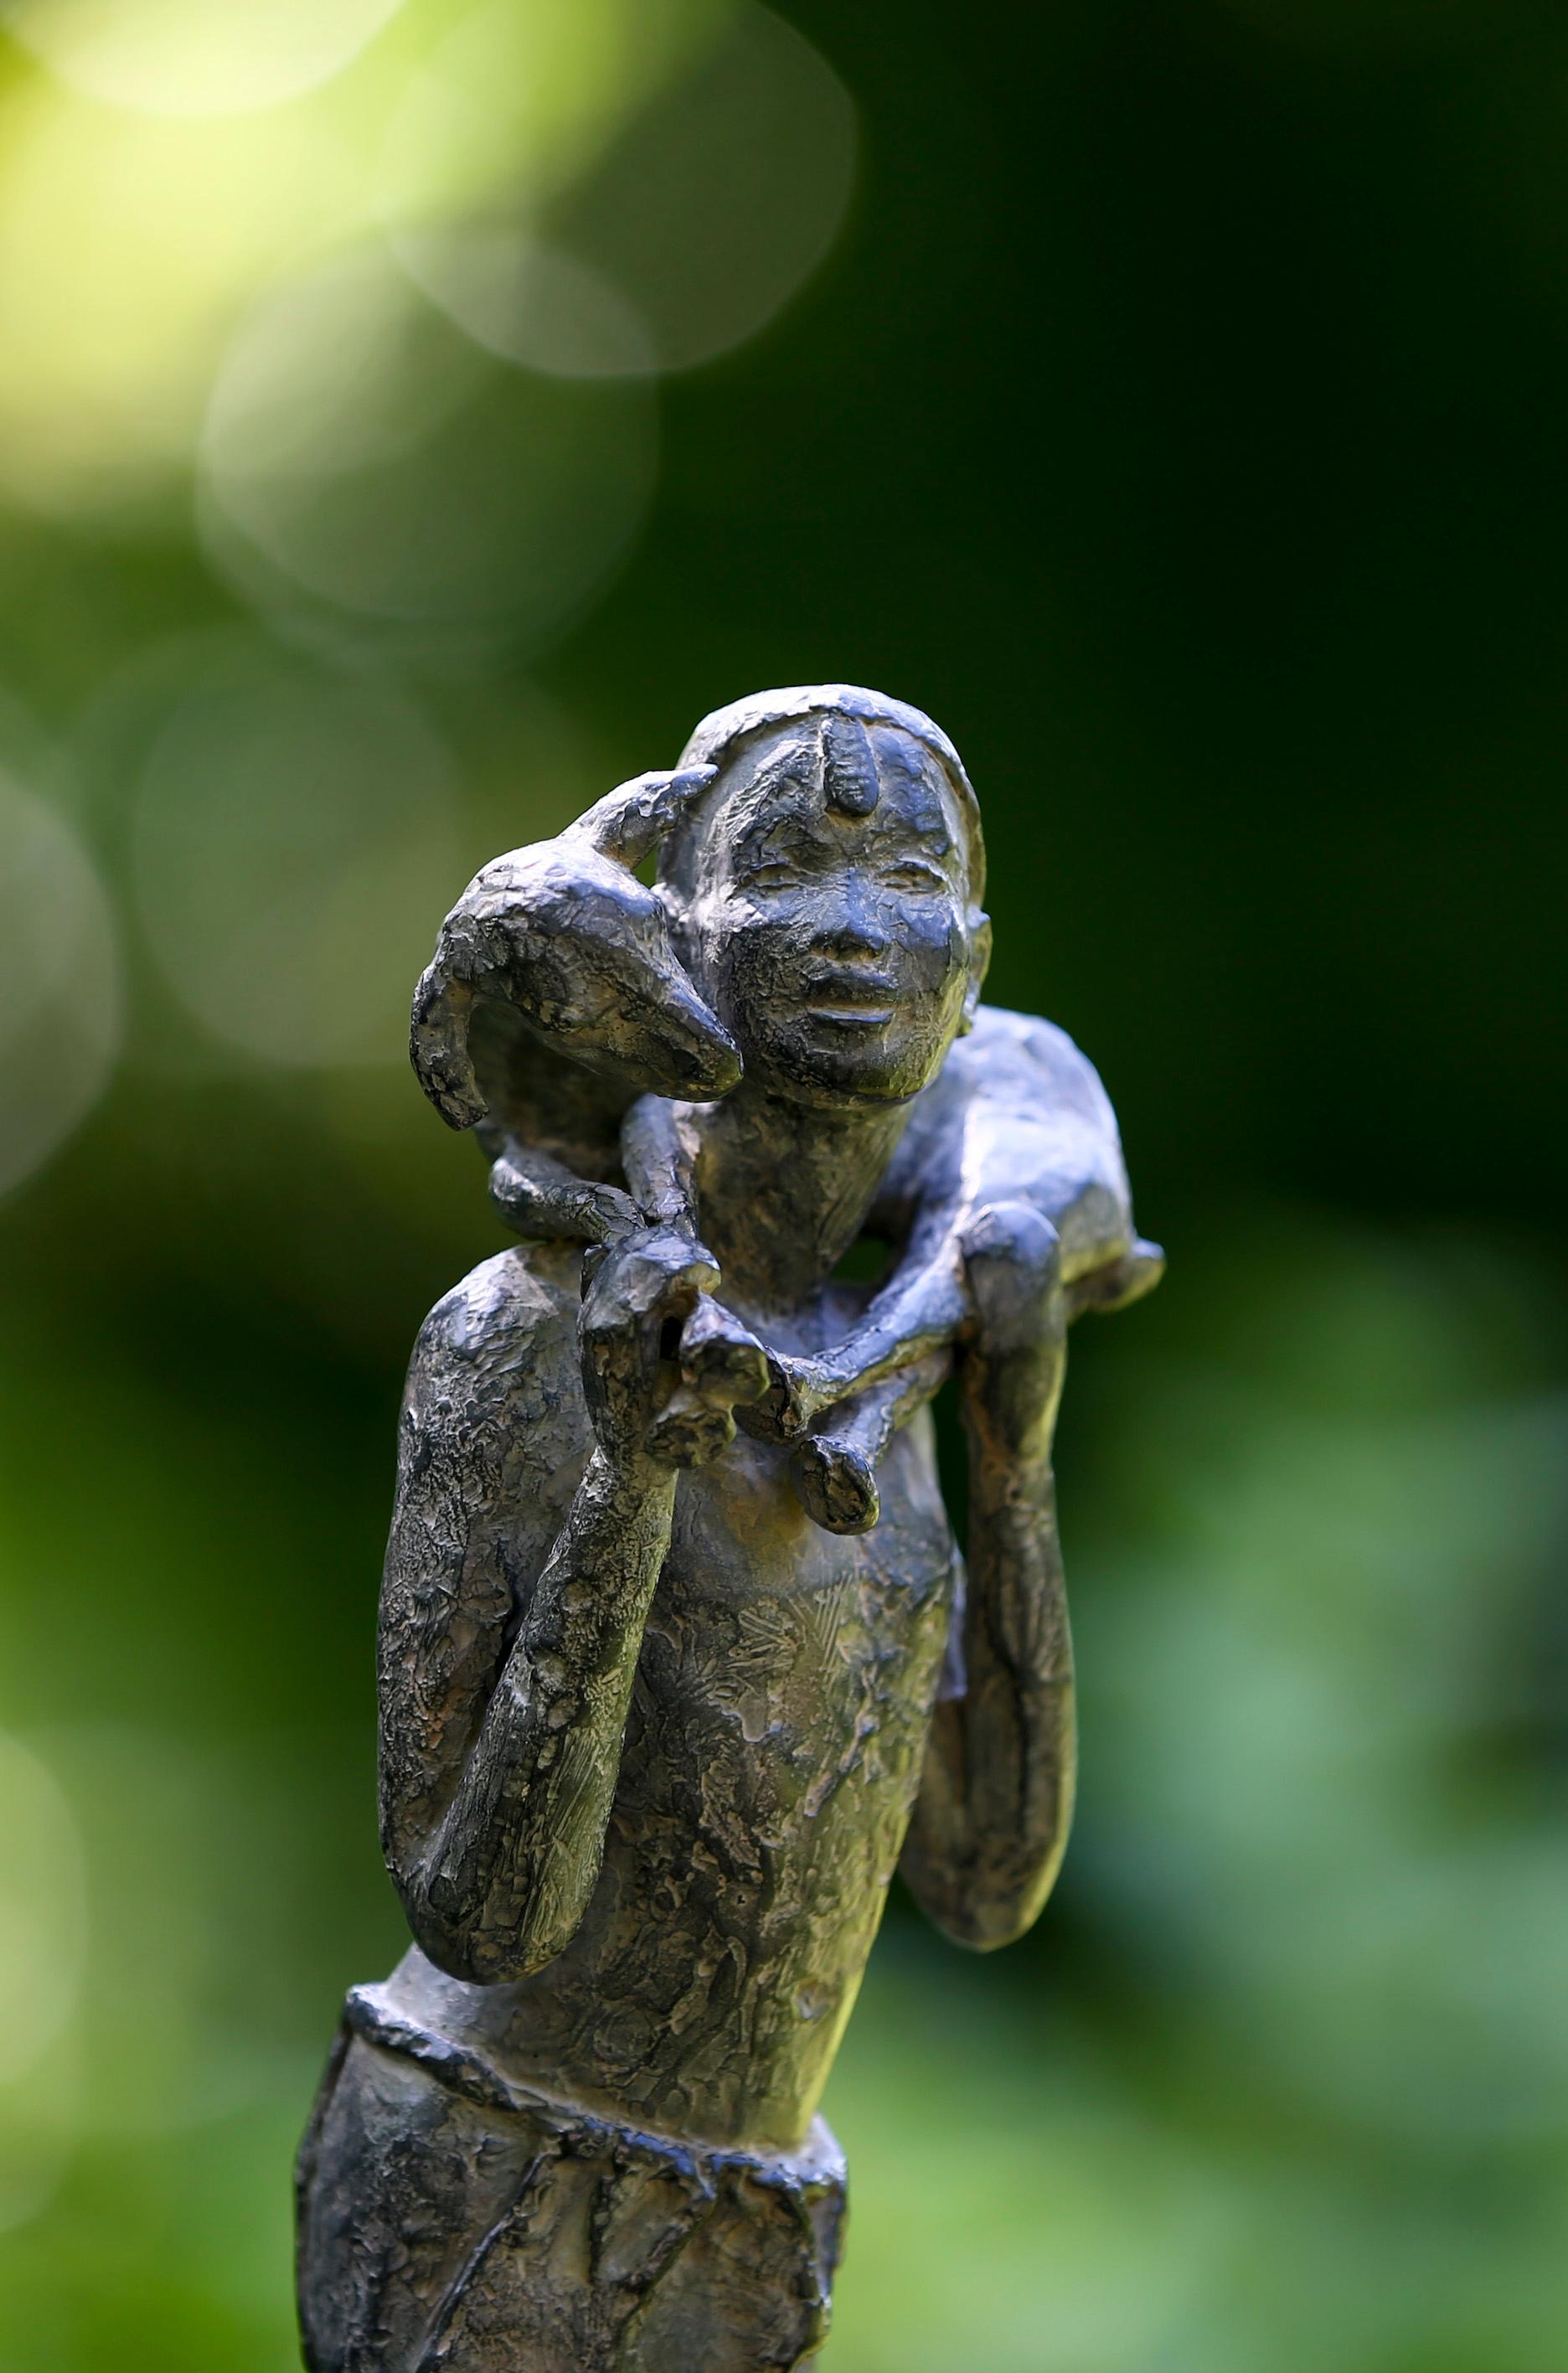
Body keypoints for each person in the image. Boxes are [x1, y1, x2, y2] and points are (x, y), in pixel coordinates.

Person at [297, 688, 1078, 2372]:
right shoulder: (518, 1333)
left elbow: (988, 1878)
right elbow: (481, 1915)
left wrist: (1014, 1451)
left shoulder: (905, 1354)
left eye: (907, 880)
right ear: (679, 935)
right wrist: (628, 1479)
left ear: (975, 958)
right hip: (481, 2178)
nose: (855, 929)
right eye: (786, 869)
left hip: (757, 2224)